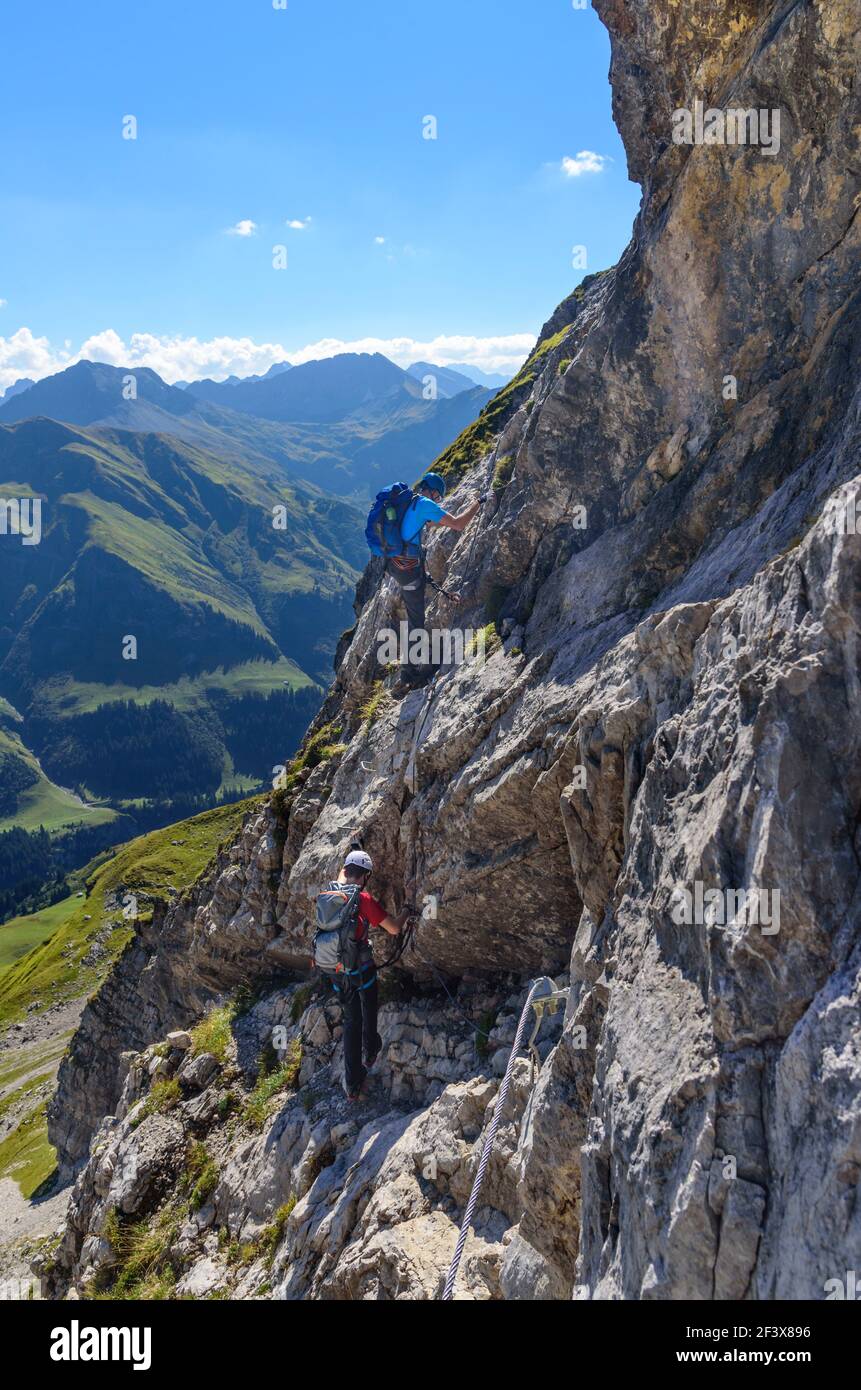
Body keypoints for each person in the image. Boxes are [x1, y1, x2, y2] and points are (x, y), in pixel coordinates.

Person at [328, 848, 412, 1100]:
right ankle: (371, 1051)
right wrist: (408, 910)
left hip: (336, 971)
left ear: (345, 870)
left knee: (351, 1022)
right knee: (369, 1006)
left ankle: (353, 1085)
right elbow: (395, 929)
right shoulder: (363, 899)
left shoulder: (328, 894)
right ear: (364, 876)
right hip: (361, 969)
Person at [388, 473, 483, 685]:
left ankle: (410, 670)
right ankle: (409, 676)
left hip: (395, 564)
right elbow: (458, 525)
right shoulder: (425, 504)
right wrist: (478, 503)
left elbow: (430, 524)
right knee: (416, 621)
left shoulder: (410, 501)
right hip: (407, 567)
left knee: (416, 615)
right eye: (438, 497)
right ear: (431, 491)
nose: (438, 501)